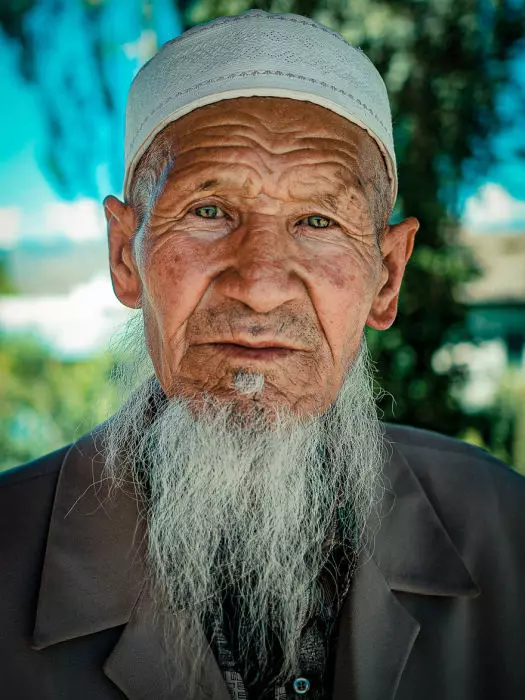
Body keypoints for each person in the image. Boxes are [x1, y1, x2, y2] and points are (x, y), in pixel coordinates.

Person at [1, 9, 525, 700]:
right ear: (124, 257)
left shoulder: (505, 528)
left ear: (386, 276)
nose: (258, 285)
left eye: (317, 221)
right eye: (208, 211)